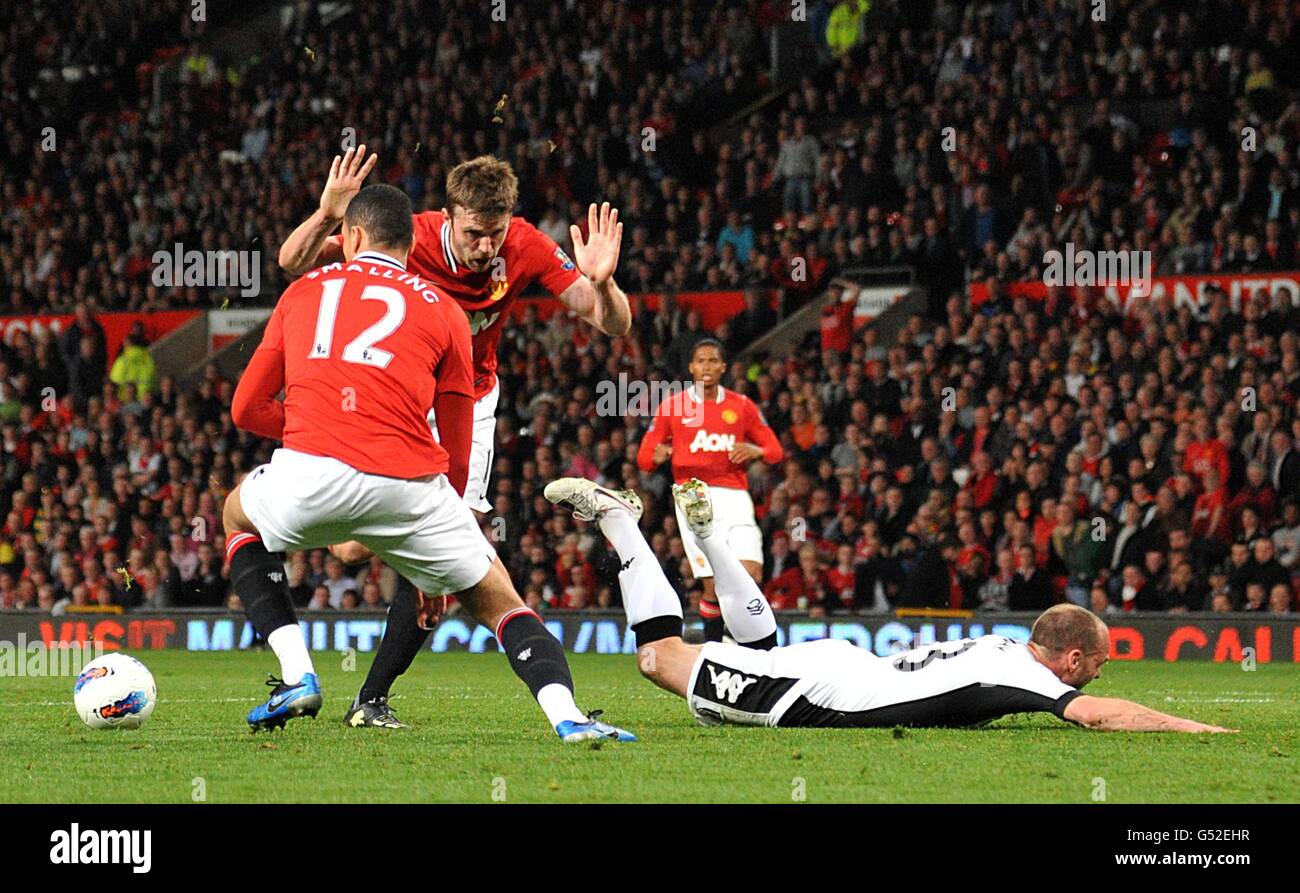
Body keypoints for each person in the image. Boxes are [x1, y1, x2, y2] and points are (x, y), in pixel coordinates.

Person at [224, 183, 632, 743]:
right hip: (423, 423)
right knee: (491, 592)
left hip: (341, 446)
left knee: (241, 515)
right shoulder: (442, 307)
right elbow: (455, 444)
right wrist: (443, 503)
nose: (486, 247)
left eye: (496, 234)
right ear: (432, 227)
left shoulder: (307, 291)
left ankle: (324, 682)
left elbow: (247, 405)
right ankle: (567, 716)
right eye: (472, 234)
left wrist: (603, 282)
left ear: (356, 237)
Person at [544, 476, 1234, 733]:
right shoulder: (1031, 674)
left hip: (841, 664)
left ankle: (708, 542)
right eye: (1100, 661)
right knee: (655, 657)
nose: (1102, 673)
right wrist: (1196, 728)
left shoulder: (996, 643)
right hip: (819, 690)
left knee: (754, 652)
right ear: (1073, 656)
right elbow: (1098, 713)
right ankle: (619, 520)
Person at [636, 337, 783, 641]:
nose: (707, 366)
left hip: (735, 497)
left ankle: (742, 643)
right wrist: (657, 455)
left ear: (723, 367)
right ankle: (717, 650)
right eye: (701, 360)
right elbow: (643, 458)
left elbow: (775, 451)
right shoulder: (673, 407)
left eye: (713, 360)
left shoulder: (741, 406)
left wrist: (755, 450)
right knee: (713, 584)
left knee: (750, 575)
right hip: (693, 498)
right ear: (691, 367)